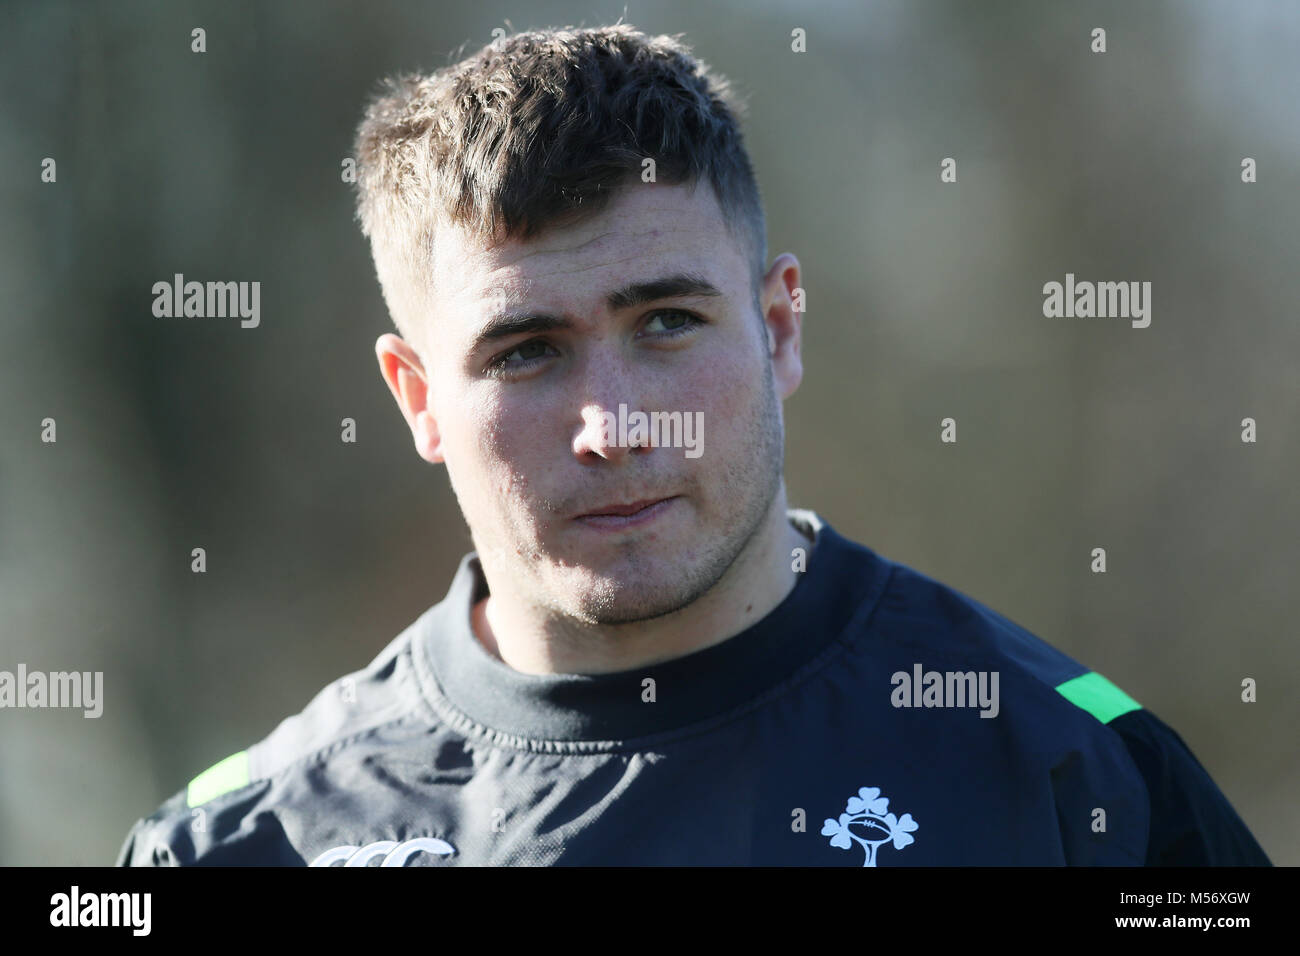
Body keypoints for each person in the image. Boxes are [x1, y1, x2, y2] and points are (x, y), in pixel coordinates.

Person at [116, 23, 1270, 867]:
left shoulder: (1079, 775)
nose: (613, 426)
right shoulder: (238, 843)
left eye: (666, 322)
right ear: (417, 395)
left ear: (776, 329)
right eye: (524, 351)